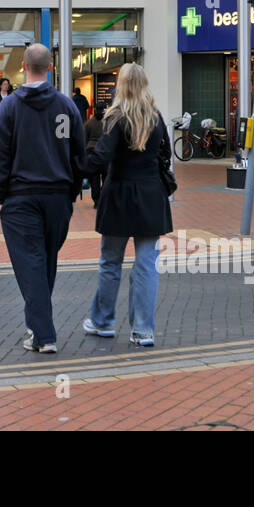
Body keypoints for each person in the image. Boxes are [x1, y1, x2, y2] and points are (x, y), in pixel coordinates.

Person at [0, 44, 85, 354]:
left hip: (20, 196)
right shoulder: (67, 107)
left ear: (24, 66)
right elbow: (77, 153)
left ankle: (43, 334)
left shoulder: (9, 108)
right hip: (58, 197)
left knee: (31, 262)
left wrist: (0, 194)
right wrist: (71, 191)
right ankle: (37, 326)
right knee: (44, 261)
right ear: (51, 67)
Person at [80, 63, 172, 348]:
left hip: (119, 194)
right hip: (151, 196)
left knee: (110, 262)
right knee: (146, 266)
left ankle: (103, 322)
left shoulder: (116, 117)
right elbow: (166, 155)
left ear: (120, 85)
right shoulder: (155, 117)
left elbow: (101, 157)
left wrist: (74, 168)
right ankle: (143, 330)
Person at [85, 104, 106, 207]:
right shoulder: (107, 123)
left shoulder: (88, 123)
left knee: (94, 179)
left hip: (91, 151)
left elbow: (85, 139)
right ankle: (102, 198)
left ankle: (96, 200)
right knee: (106, 177)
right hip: (104, 152)